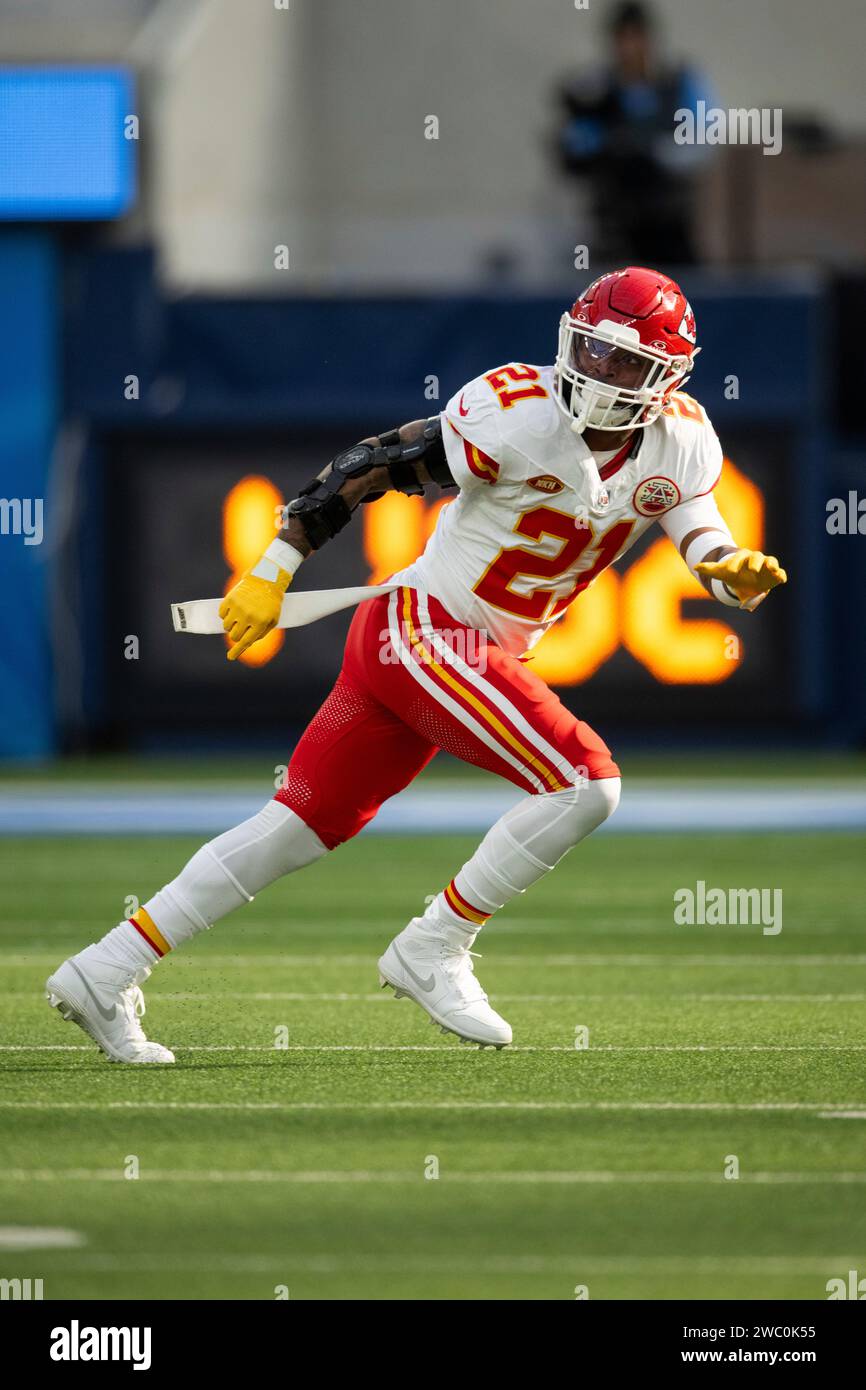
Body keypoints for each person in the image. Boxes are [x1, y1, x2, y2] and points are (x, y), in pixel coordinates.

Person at [45, 265, 786, 1061]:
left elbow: (699, 529)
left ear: (666, 374)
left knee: (293, 829)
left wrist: (726, 570)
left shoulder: (680, 440)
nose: (600, 371)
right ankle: (436, 944)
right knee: (586, 782)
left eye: (623, 361)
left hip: (443, 646)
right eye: (592, 350)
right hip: (423, 630)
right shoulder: (513, 414)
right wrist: (271, 569)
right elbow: (362, 466)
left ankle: (104, 967)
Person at [556, 1, 716, 264]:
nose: (629, 48)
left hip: (669, 222)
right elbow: (577, 145)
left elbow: (703, 140)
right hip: (614, 224)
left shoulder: (678, 83)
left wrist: (653, 153)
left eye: (636, 37)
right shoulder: (598, 92)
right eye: (622, 39)